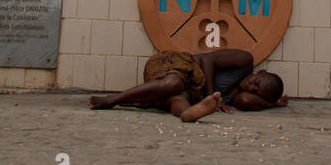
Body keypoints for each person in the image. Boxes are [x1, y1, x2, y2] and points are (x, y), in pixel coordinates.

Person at [88, 47, 288, 122]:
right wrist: (213, 95)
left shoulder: (237, 97)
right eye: (256, 82)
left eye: (256, 91)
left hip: (190, 93)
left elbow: (245, 101)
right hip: (179, 67)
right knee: (174, 85)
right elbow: (208, 60)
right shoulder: (244, 61)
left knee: (179, 101)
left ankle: (188, 115)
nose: (250, 87)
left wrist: (273, 104)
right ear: (260, 72)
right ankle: (113, 100)